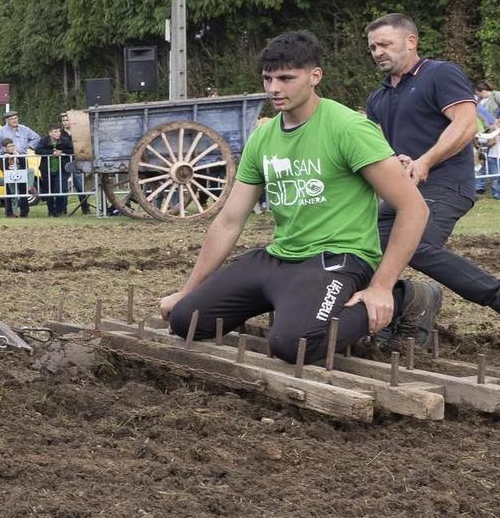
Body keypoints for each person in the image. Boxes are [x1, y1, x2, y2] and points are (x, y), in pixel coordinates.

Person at [162, 30, 439, 361]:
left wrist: (381, 286)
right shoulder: (263, 137)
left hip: (337, 259)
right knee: (185, 320)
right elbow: (229, 221)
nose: (274, 89)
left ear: (314, 76)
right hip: (280, 257)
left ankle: (406, 296)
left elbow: (413, 208)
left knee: (295, 345)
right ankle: (291, 304)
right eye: (267, 79)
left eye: (286, 78)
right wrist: (188, 291)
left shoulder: (349, 128)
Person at [363, 14, 500, 348]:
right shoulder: (377, 99)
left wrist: (425, 160)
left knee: (414, 245)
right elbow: (382, 148)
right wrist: (395, 161)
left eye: (385, 44)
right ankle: (413, 302)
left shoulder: (440, 74)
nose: (378, 52)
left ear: (411, 41)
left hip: (447, 184)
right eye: (372, 47)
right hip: (401, 191)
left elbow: (466, 124)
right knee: (365, 250)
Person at [0, 112, 38, 218]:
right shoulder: (1, 131)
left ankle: (24, 211)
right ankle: (10, 212)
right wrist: (4, 154)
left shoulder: (24, 129)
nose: (15, 120)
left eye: (16, 118)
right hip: (7, 160)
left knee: (23, 186)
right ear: (7, 121)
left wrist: (27, 147)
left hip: (21, 158)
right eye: (12, 119)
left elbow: (37, 138)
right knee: (10, 187)